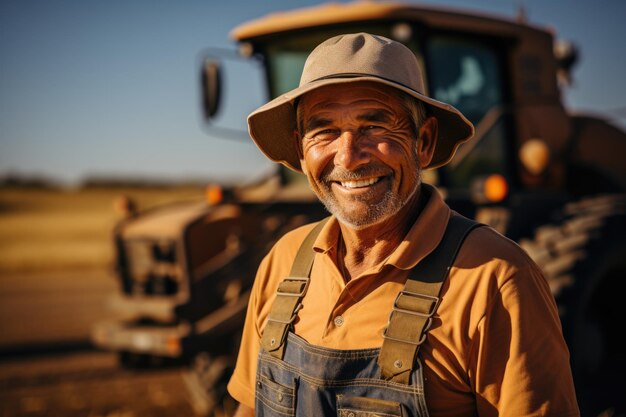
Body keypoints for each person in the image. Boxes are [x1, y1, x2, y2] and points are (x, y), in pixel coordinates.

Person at [227, 33, 579, 417]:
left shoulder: (496, 281)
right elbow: (250, 405)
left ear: (423, 142)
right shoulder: (284, 260)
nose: (348, 157)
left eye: (375, 127)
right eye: (324, 130)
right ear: (301, 148)